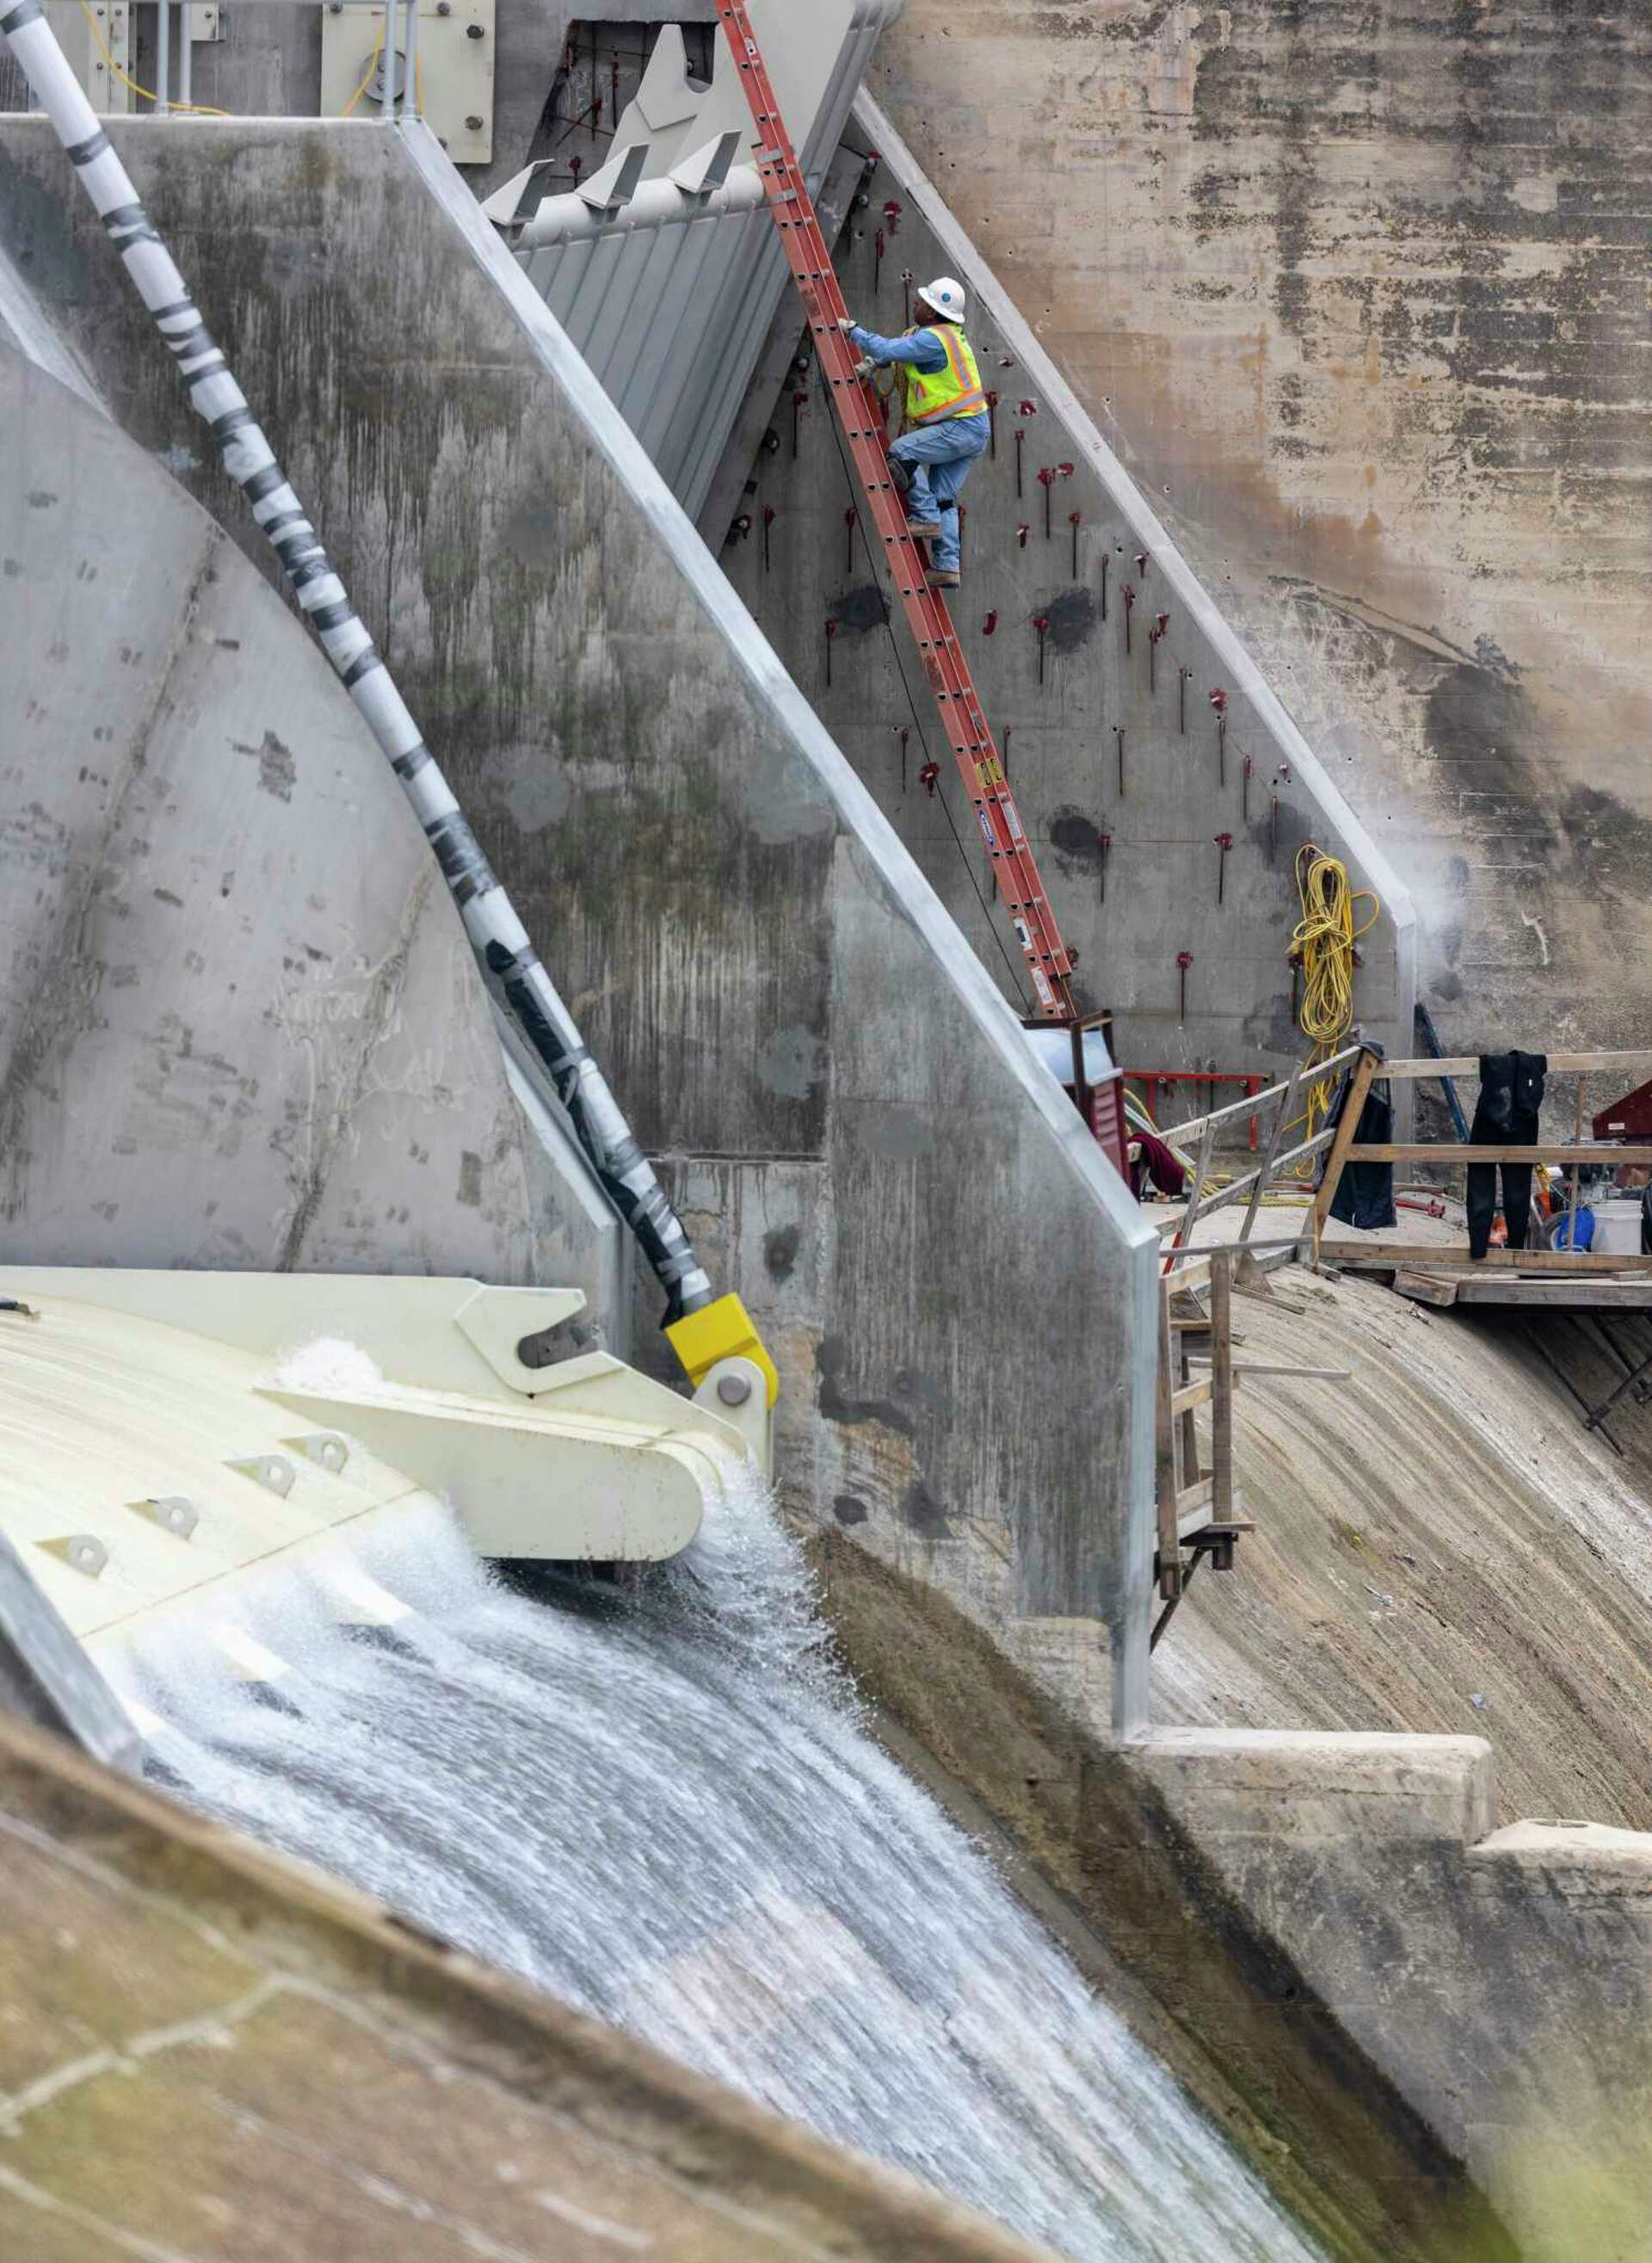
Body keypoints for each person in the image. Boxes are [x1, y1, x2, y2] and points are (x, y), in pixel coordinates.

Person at [840, 276, 989, 590]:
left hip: (959, 427)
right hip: (974, 428)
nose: (916, 304)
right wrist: (872, 364)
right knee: (944, 497)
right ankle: (947, 566)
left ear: (933, 312)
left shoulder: (934, 339)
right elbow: (898, 354)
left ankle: (924, 517)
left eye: (922, 302)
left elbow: (888, 346)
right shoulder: (945, 337)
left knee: (901, 452)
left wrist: (852, 331)